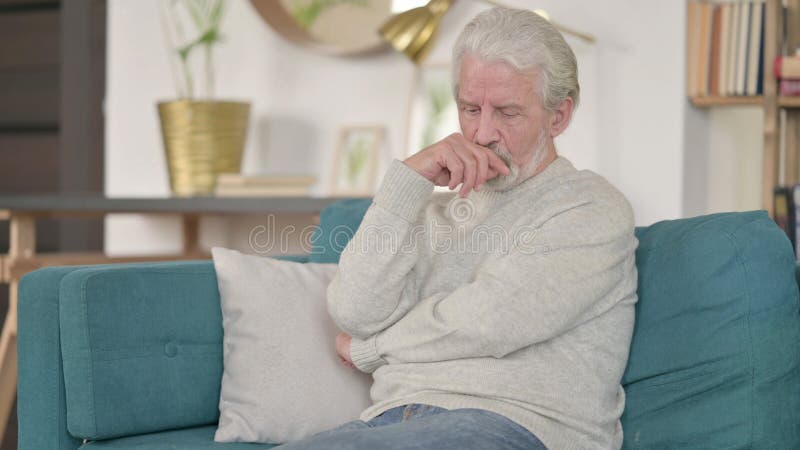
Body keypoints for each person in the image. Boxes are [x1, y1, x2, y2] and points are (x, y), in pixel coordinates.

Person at [276, 6, 638, 450]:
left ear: (558, 116)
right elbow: (354, 310)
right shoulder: (429, 213)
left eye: (507, 112)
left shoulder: (590, 208)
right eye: (470, 108)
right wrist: (408, 179)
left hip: (513, 426)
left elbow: (490, 320)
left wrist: (371, 350)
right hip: (389, 424)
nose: (482, 132)